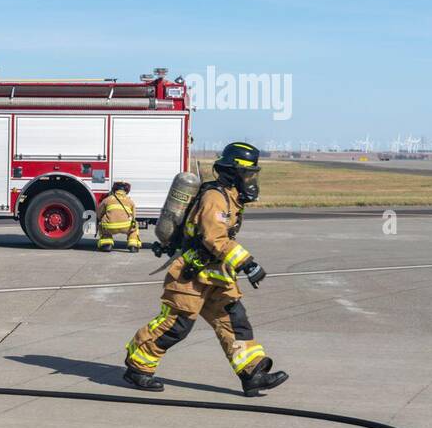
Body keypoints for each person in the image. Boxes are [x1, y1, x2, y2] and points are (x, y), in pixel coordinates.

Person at [123, 142, 288, 397]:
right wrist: (248, 263)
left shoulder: (230, 198)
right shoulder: (215, 197)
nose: (251, 179)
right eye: (247, 173)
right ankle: (138, 367)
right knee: (176, 325)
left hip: (217, 276)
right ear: (233, 173)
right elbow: (215, 238)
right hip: (191, 276)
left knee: (235, 322)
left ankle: (252, 373)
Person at [95, 181, 141, 252]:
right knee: (135, 227)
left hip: (110, 226)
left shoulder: (107, 200)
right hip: (126, 226)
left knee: (103, 227)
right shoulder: (130, 201)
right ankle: (133, 245)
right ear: (126, 191)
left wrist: (100, 220)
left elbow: (99, 213)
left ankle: (106, 245)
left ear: (114, 190)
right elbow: (134, 217)